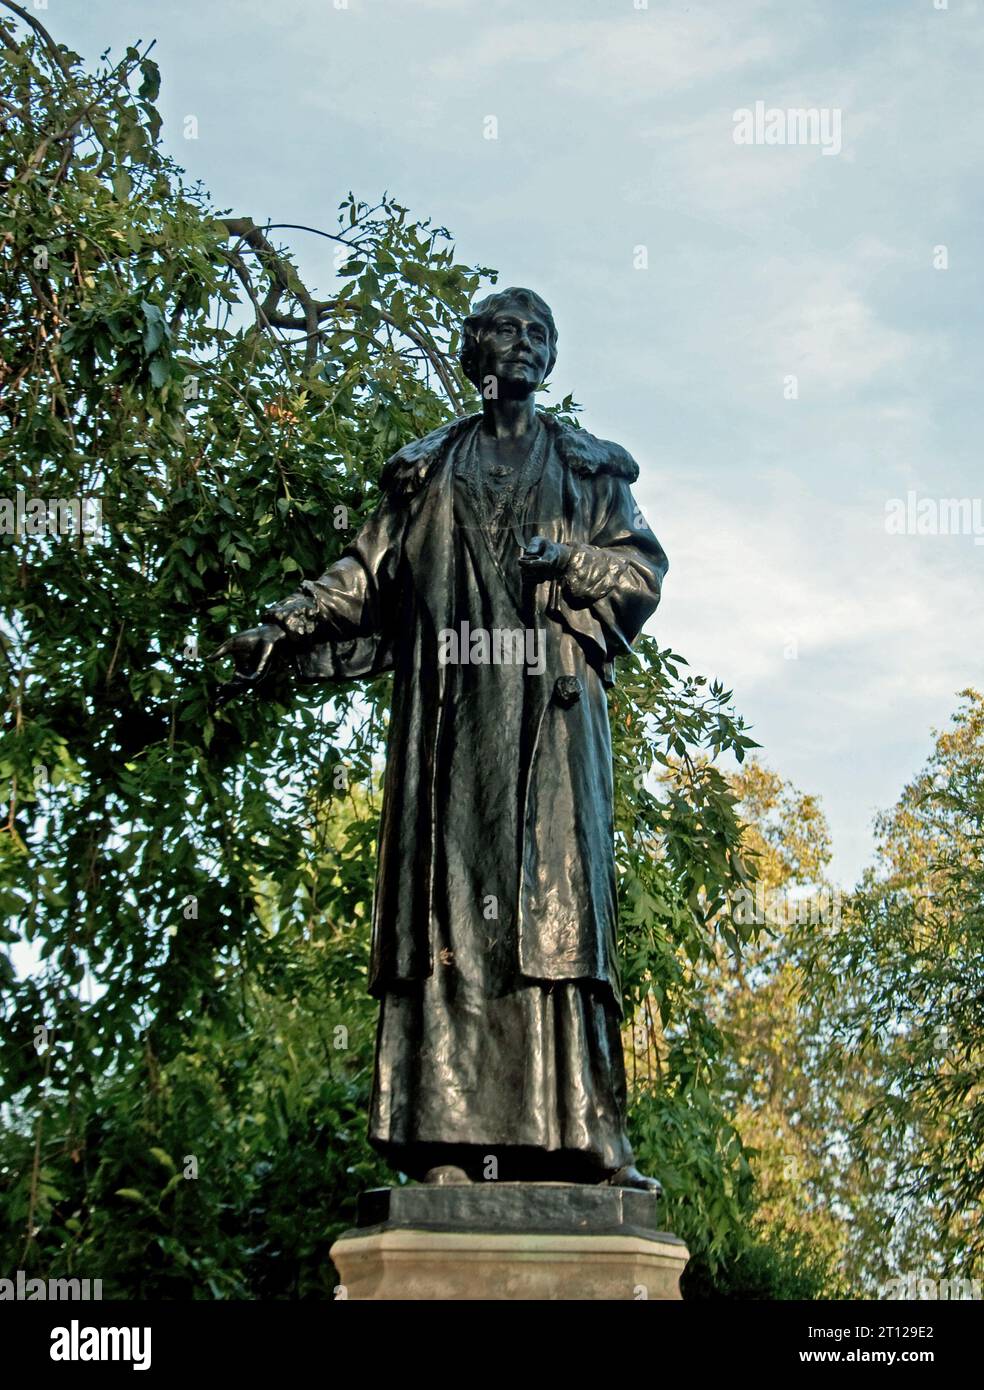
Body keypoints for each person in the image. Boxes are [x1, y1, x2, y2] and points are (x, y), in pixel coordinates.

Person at [211, 288, 669, 1189]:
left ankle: (586, 1142)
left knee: (561, 923)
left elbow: (643, 571)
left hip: (548, 729)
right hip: (455, 732)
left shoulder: (589, 473)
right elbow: (364, 574)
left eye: (542, 333)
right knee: (448, 920)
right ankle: (445, 1142)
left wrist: (571, 561)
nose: (525, 345)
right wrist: (283, 626)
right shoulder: (429, 472)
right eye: (508, 330)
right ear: (474, 350)